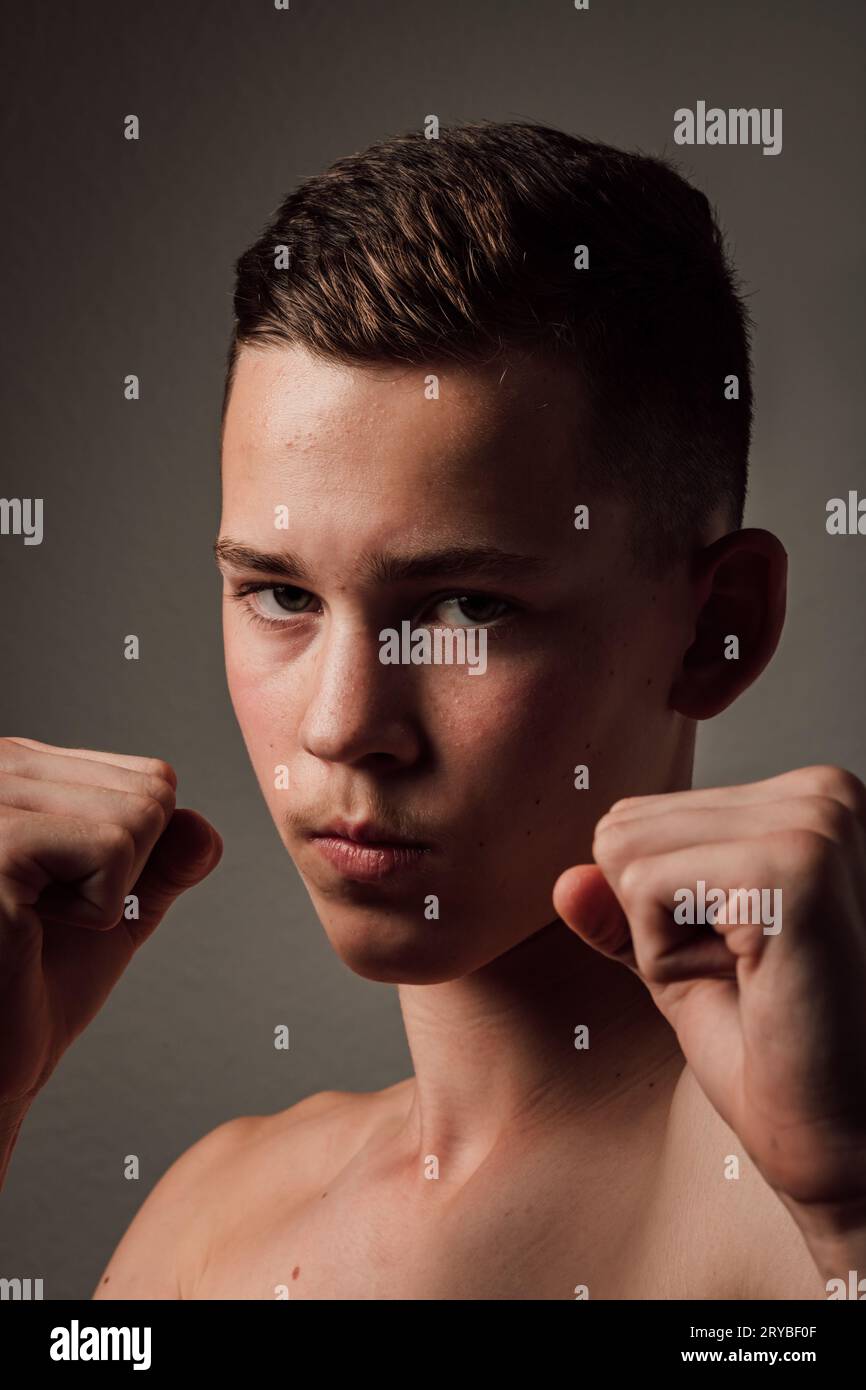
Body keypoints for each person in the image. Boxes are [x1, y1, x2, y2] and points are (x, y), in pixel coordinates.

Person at [2, 121, 864, 1300]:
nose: (342, 726)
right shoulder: (206, 1223)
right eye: (280, 593)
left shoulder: (807, 1213)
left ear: (718, 627)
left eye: (465, 604)